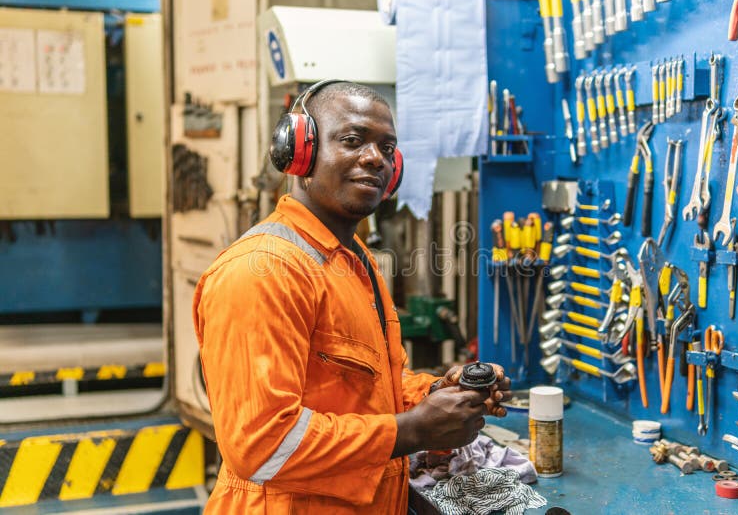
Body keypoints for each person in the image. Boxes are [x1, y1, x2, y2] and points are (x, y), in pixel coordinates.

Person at [193, 80, 511, 514]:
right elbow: (263, 445)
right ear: (299, 150)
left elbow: (368, 389)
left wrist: (437, 393)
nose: (374, 158)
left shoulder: (352, 260)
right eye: (352, 140)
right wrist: (413, 430)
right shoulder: (261, 271)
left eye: (387, 148)